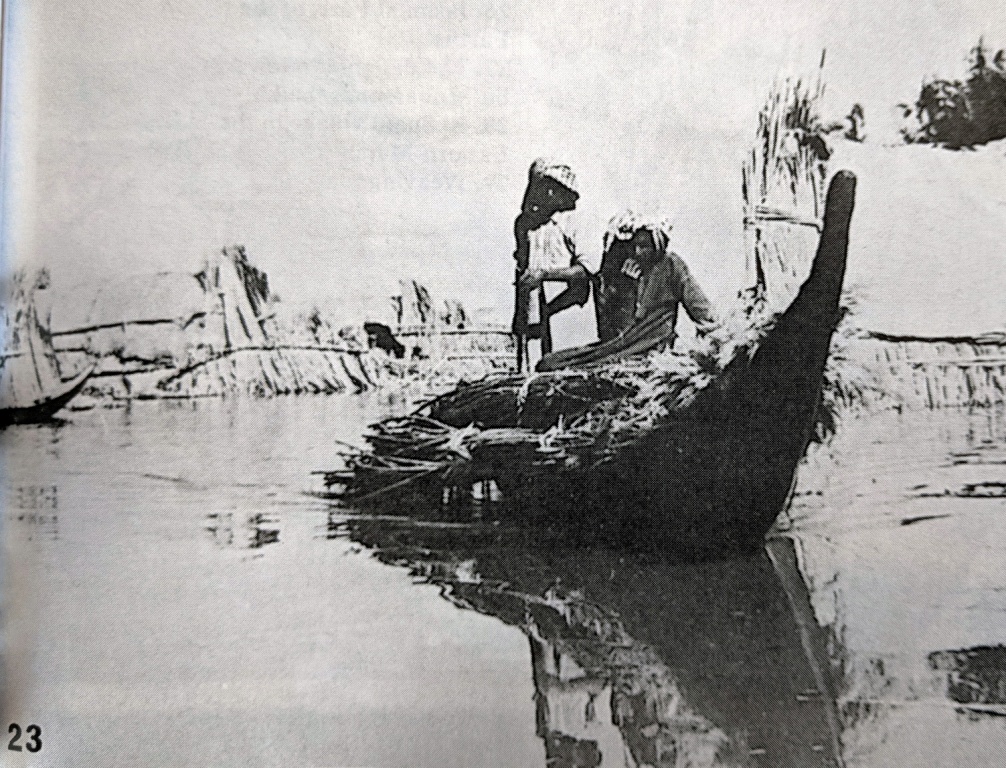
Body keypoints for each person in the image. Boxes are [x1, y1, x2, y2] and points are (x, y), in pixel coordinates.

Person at [512, 159, 599, 371]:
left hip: (569, 313)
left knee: (570, 376)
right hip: (536, 314)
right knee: (535, 375)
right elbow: (523, 271)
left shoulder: (576, 221)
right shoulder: (527, 225)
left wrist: (544, 275)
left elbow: (587, 271)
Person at [598, 214, 716, 345]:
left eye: (644, 246)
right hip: (621, 353)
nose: (637, 252)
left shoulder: (670, 266)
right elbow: (612, 335)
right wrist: (626, 291)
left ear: (656, 246)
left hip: (657, 352)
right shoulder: (617, 271)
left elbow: (702, 312)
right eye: (633, 246)